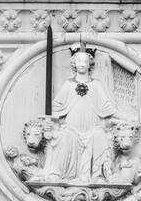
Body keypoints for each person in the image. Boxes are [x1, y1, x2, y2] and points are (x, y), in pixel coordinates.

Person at [45, 46, 116, 181]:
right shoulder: (68, 84)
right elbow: (56, 106)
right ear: (74, 64)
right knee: (66, 136)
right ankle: (58, 173)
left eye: (85, 62)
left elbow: (108, 109)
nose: (82, 65)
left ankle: (98, 175)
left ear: (90, 64)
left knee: (99, 136)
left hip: (92, 128)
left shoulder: (96, 85)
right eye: (79, 62)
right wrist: (50, 122)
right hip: (72, 128)